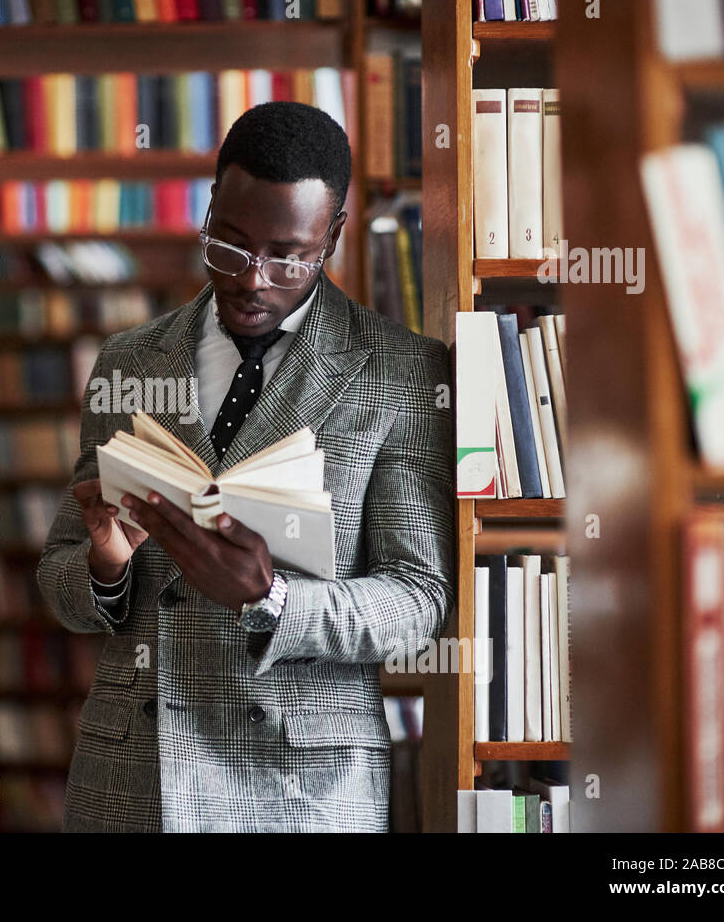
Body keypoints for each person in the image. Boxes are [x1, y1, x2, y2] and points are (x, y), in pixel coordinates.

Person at [37, 101, 455, 831]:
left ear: (333, 236)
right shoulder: (128, 362)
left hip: (304, 788)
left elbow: (419, 599)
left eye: (288, 255)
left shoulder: (398, 372)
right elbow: (60, 582)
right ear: (208, 208)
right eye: (227, 246)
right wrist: (104, 568)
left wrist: (276, 602)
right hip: (139, 778)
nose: (254, 278)